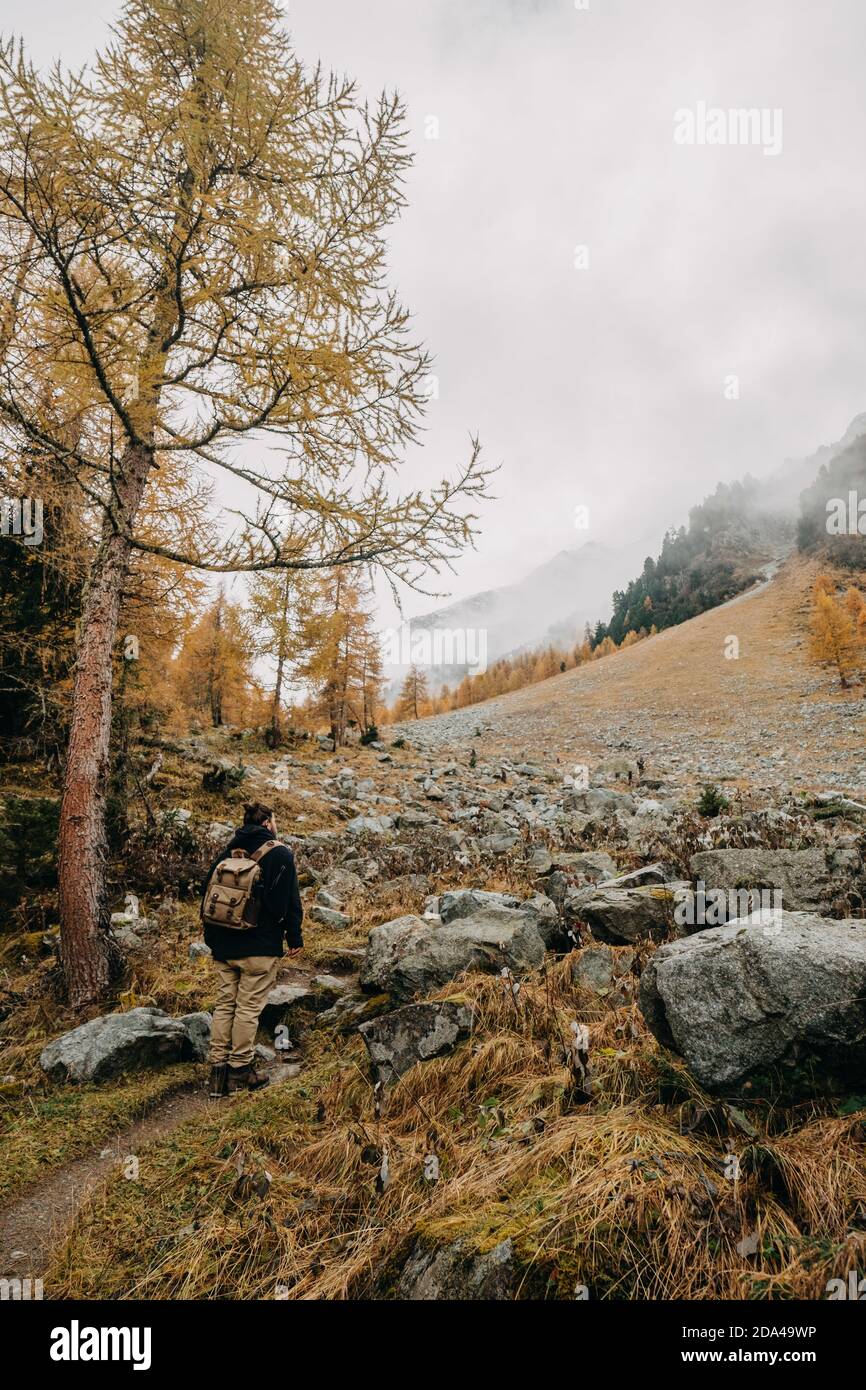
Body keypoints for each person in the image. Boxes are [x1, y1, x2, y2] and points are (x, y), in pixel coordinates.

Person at [202, 801, 303, 1098]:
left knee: (224, 1006)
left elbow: (206, 893)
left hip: (223, 946)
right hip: (259, 947)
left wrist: (212, 939)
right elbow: (287, 902)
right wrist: (294, 938)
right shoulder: (280, 854)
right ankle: (240, 1072)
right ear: (268, 823)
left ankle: (217, 1074)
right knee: (247, 1008)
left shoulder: (227, 852)